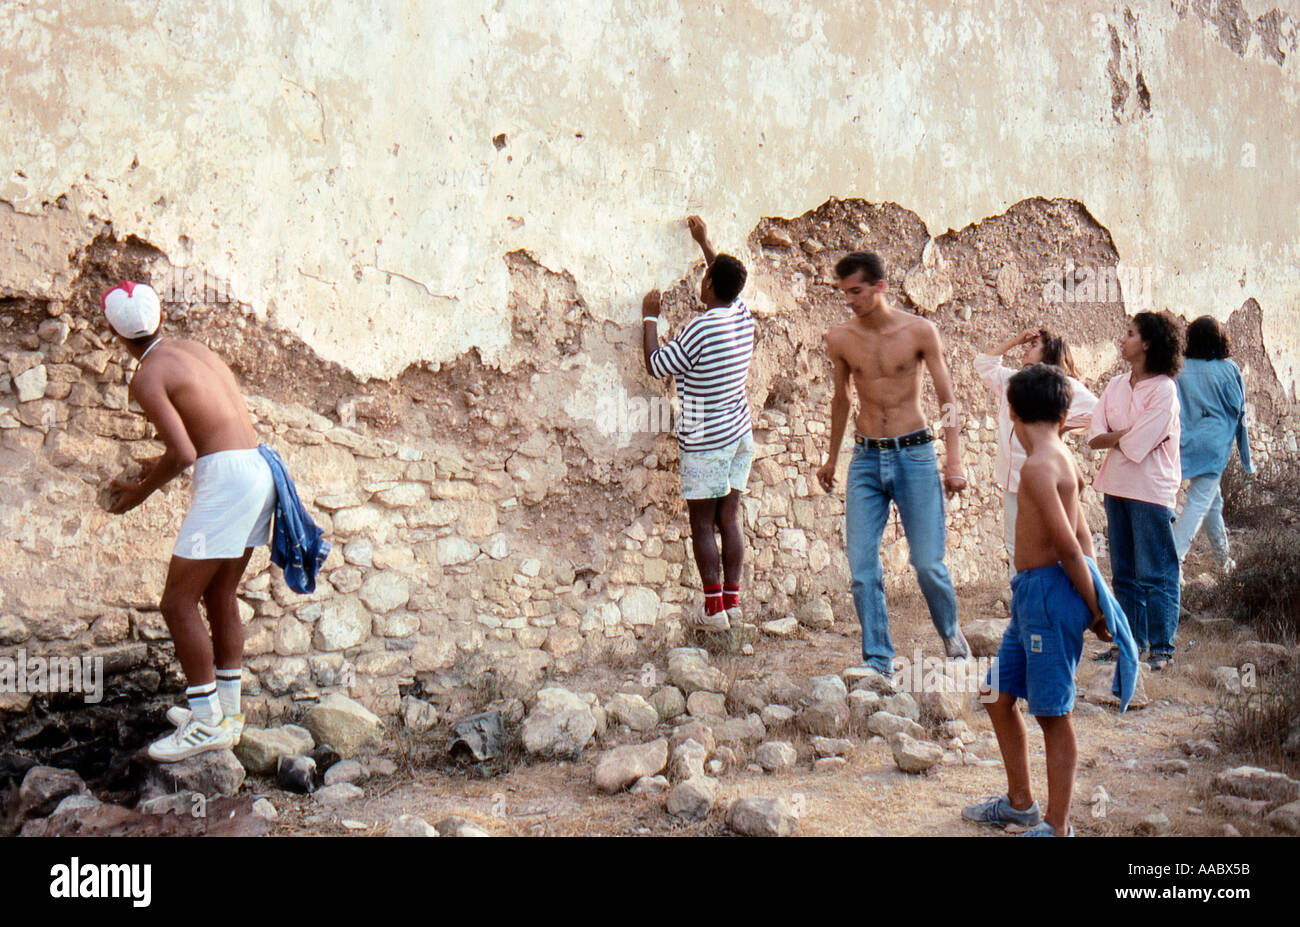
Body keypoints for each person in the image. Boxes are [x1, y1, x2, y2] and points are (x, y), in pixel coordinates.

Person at [101, 281, 276, 761]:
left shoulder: (147, 374)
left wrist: (136, 493)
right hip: (259, 467)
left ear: (116, 334)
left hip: (226, 477)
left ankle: (204, 723)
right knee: (220, 593)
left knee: (177, 603)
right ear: (159, 319)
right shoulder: (194, 349)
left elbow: (182, 452)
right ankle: (225, 711)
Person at [962, 364, 1138, 837]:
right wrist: (1098, 598)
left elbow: (1067, 545)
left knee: (1052, 714)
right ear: (1065, 417)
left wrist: (1098, 607)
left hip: (1047, 593)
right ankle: (1020, 804)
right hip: (1032, 595)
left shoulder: (1040, 467)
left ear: (1012, 413)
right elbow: (1084, 539)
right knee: (997, 695)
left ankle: (1057, 827)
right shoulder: (1061, 457)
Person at [816, 251, 969, 675]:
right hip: (866, 458)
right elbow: (841, 398)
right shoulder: (841, 337)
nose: (849, 300)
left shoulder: (919, 331)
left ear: (880, 287)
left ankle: (952, 633)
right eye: (844, 292)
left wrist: (953, 458)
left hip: (915, 453)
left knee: (927, 563)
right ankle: (878, 659)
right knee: (862, 567)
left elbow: (948, 398)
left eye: (856, 291)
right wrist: (831, 458)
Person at [642, 216, 755, 630]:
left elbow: (656, 365)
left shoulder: (700, 329)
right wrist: (705, 242)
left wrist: (649, 318)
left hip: (706, 438)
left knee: (702, 522)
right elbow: (726, 282)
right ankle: (732, 603)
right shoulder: (742, 316)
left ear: (708, 285)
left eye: (707, 275)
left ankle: (713, 613)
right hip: (739, 434)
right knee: (730, 518)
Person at [1087, 311, 1183, 671]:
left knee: (1155, 572)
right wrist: (1124, 434)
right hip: (1116, 486)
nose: (1122, 339)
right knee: (1124, 572)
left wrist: (1120, 436)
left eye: (1130, 333)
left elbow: (1138, 444)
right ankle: (1129, 642)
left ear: (1147, 343)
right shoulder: (1114, 386)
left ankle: (1162, 649)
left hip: (1150, 491)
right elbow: (1094, 436)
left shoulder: (1164, 390)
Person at [975, 329, 1098, 580]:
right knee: (1013, 545)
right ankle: (1021, 600)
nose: (1024, 349)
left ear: (1048, 352)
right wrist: (1014, 339)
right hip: (1013, 481)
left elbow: (1098, 414)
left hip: (1042, 479)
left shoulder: (1064, 386)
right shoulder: (1014, 381)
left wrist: (1063, 429)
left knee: (1051, 543)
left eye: (1032, 345)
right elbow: (983, 364)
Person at [1174, 316, 1252, 575]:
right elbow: (1239, 413)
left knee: (1212, 501)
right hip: (1215, 446)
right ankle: (1174, 561)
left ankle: (1224, 561)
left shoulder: (1180, 368)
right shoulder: (1229, 369)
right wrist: (1245, 456)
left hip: (1186, 443)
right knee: (1199, 501)